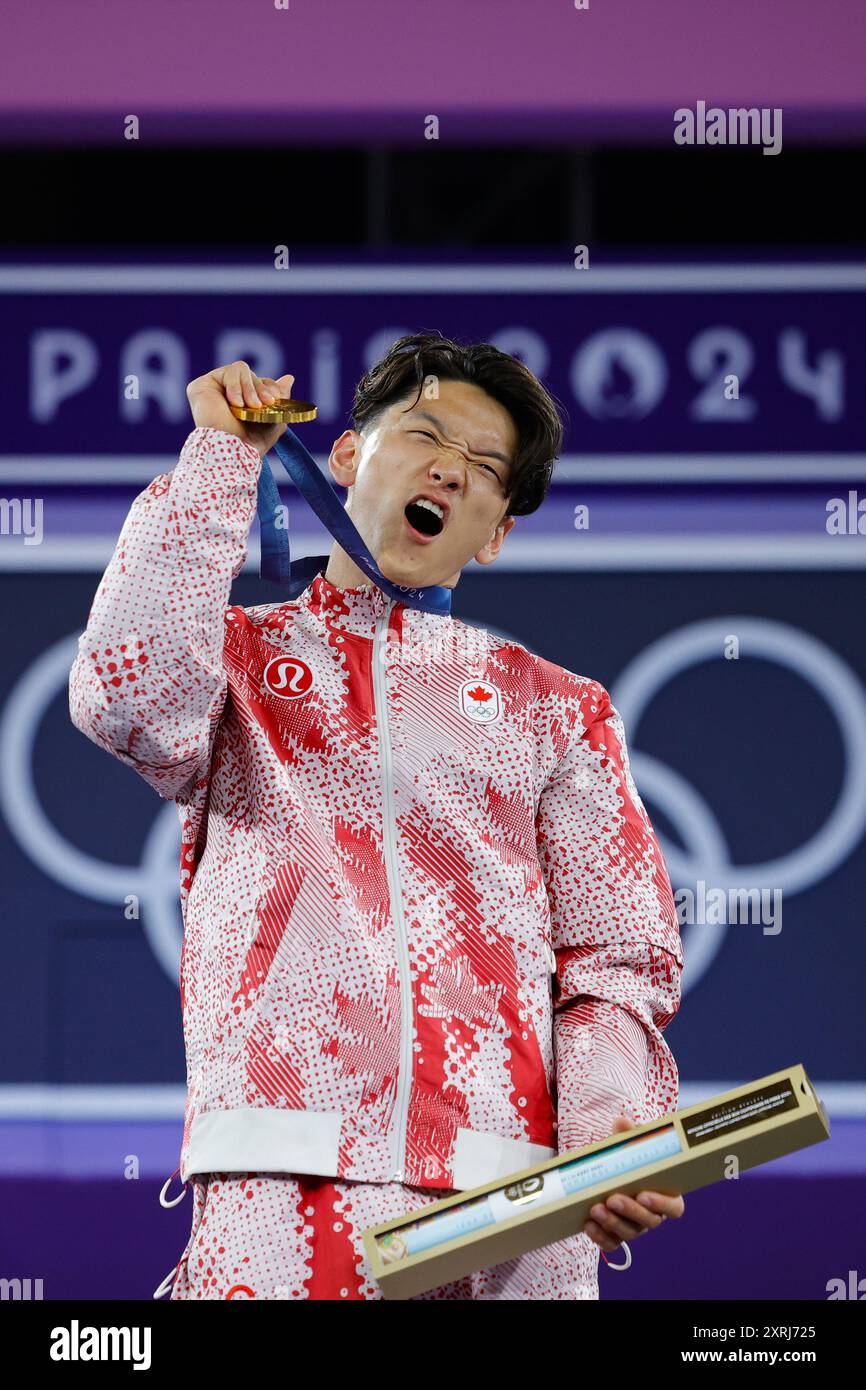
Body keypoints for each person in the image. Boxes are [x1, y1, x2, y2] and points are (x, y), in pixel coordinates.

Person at [69, 333, 685, 1300]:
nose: (451, 466)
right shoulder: (234, 659)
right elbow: (127, 697)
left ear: (494, 534)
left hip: (516, 1207)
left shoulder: (560, 709)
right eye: (425, 434)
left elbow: (616, 960)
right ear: (349, 455)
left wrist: (609, 1129)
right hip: (282, 1189)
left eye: (486, 469)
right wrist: (222, 458)